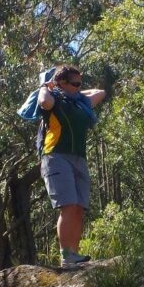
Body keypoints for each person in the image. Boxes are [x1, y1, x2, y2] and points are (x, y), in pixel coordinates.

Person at [37, 63, 106, 267]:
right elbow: (44, 102)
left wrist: (75, 92)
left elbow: (100, 92)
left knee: (78, 208)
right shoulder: (53, 100)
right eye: (75, 83)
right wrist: (46, 86)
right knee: (67, 205)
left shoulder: (80, 103)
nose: (79, 87)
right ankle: (66, 255)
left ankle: (74, 254)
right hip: (56, 156)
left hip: (79, 159)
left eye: (80, 83)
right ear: (61, 83)